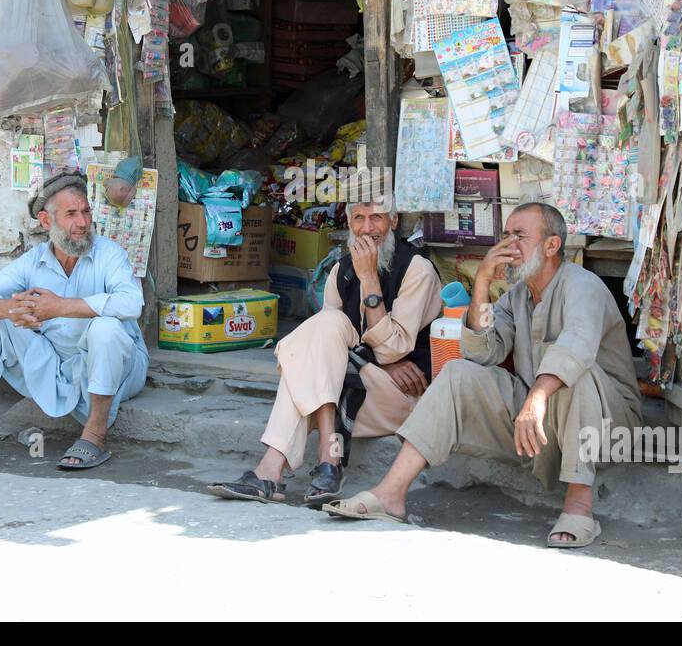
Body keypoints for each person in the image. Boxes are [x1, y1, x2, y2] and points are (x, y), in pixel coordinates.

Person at [324, 202, 641, 548]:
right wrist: (483, 283)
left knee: (577, 374)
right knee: (458, 372)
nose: (508, 245)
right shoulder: (517, 296)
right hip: (541, 421)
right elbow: (482, 351)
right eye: (505, 235)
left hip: (607, 426)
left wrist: (536, 396)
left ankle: (579, 505)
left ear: (551, 246)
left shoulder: (583, 285)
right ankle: (391, 494)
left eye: (520, 236)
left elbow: (577, 346)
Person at [211, 197, 443, 505]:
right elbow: (327, 345)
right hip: (353, 385)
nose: (367, 229)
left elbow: (392, 351)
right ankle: (291, 468)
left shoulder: (417, 270)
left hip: (401, 398)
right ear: (348, 224)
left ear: (394, 220)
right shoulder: (340, 271)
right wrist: (378, 361)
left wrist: (370, 278)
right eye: (359, 218)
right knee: (324, 328)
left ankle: (304, 463)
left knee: (306, 368)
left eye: (377, 218)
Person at [0, 171, 148, 470]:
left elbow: (133, 303)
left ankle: (94, 436)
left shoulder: (110, 254)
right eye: (71, 214)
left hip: (119, 368)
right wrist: (11, 309)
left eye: (85, 212)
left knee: (107, 328)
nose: (82, 223)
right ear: (46, 221)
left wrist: (61, 307)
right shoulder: (32, 262)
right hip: (57, 365)